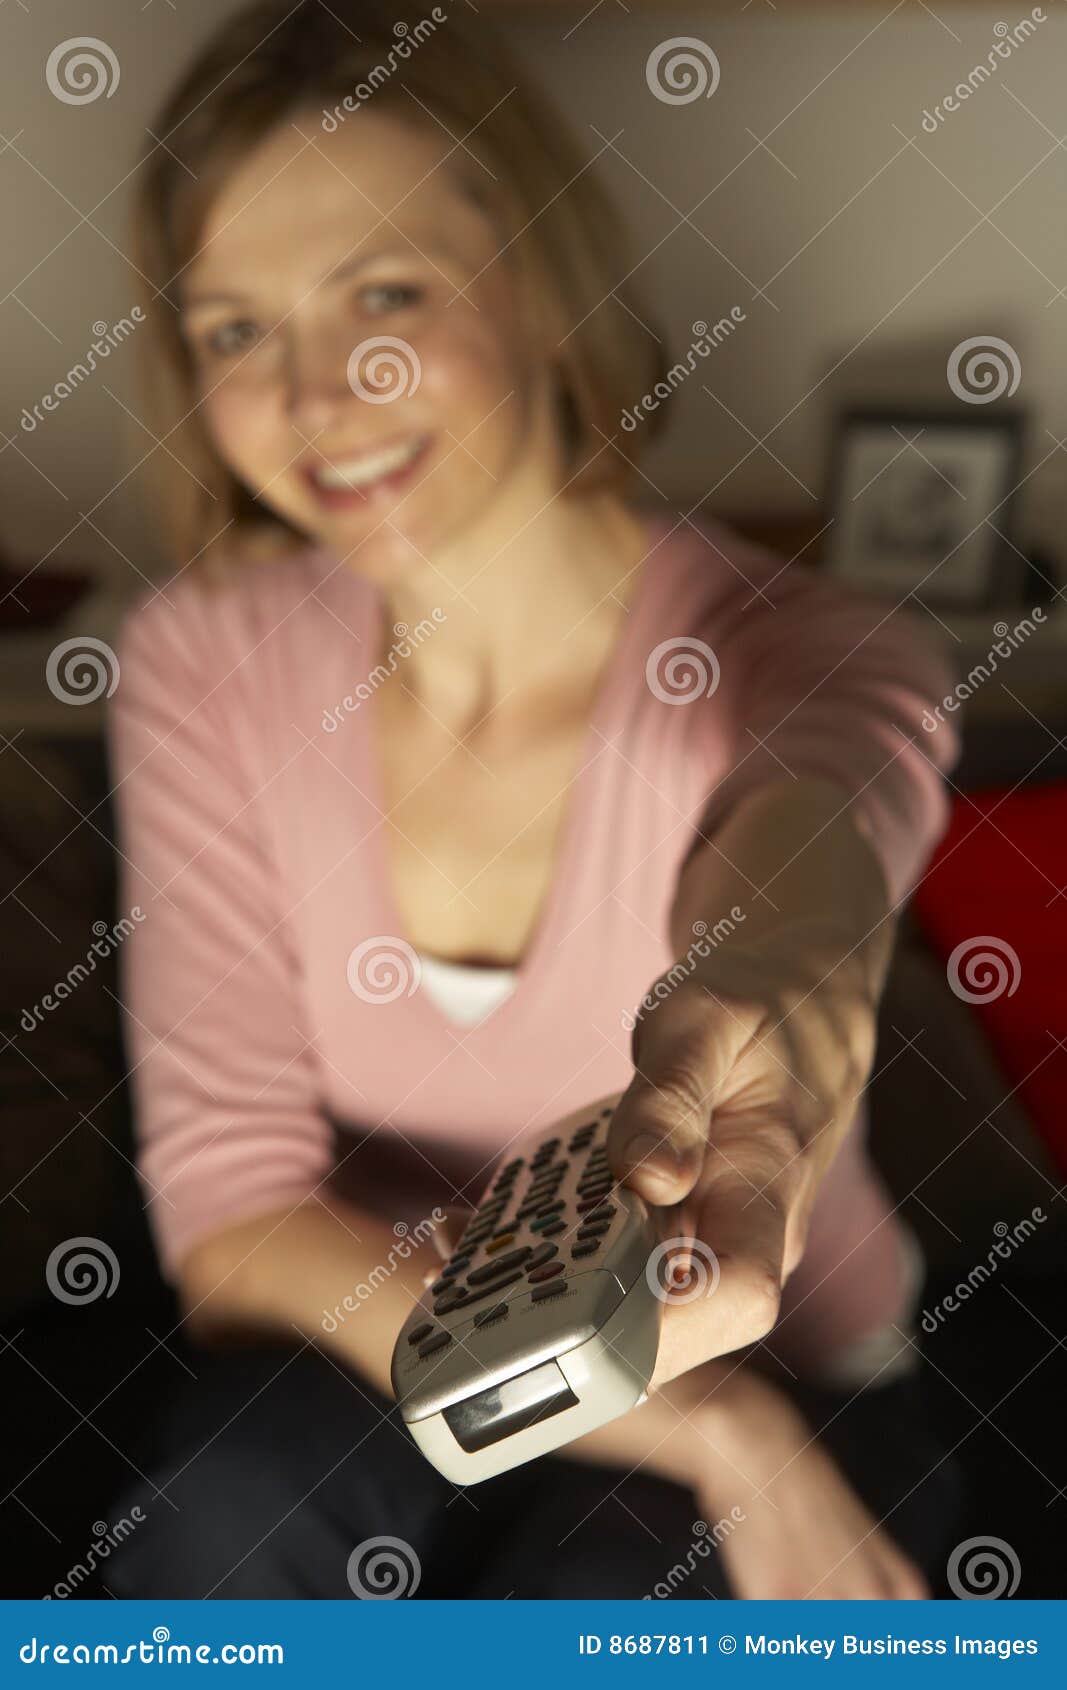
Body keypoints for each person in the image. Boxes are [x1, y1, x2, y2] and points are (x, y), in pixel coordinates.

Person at [105, 0, 962, 1600]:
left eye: (384, 294)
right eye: (233, 332)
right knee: (219, 1523)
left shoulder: (822, 652)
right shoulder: (198, 660)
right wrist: (716, 1438)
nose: (318, 396)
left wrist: (782, 979)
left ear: (545, 282)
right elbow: (234, 1221)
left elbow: (816, 838)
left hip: (782, 1361)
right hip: (391, 1345)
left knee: (611, 1612)